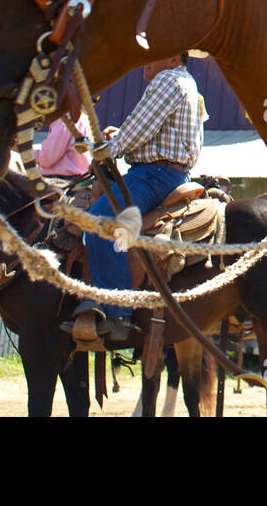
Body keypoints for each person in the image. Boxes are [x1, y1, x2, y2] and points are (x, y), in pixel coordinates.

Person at [64, 53, 204, 346]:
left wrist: (105, 150)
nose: (144, 62)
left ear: (172, 58)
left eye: (152, 56)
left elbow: (135, 132)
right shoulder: (186, 82)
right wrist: (118, 139)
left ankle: (117, 313)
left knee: (101, 223)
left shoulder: (168, 80)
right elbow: (145, 132)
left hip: (154, 174)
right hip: (169, 172)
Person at [36, 113, 91, 179]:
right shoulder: (84, 118)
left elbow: (47, 159)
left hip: (66, 178)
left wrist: (27, 153)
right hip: (82, 175)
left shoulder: (63, 121)